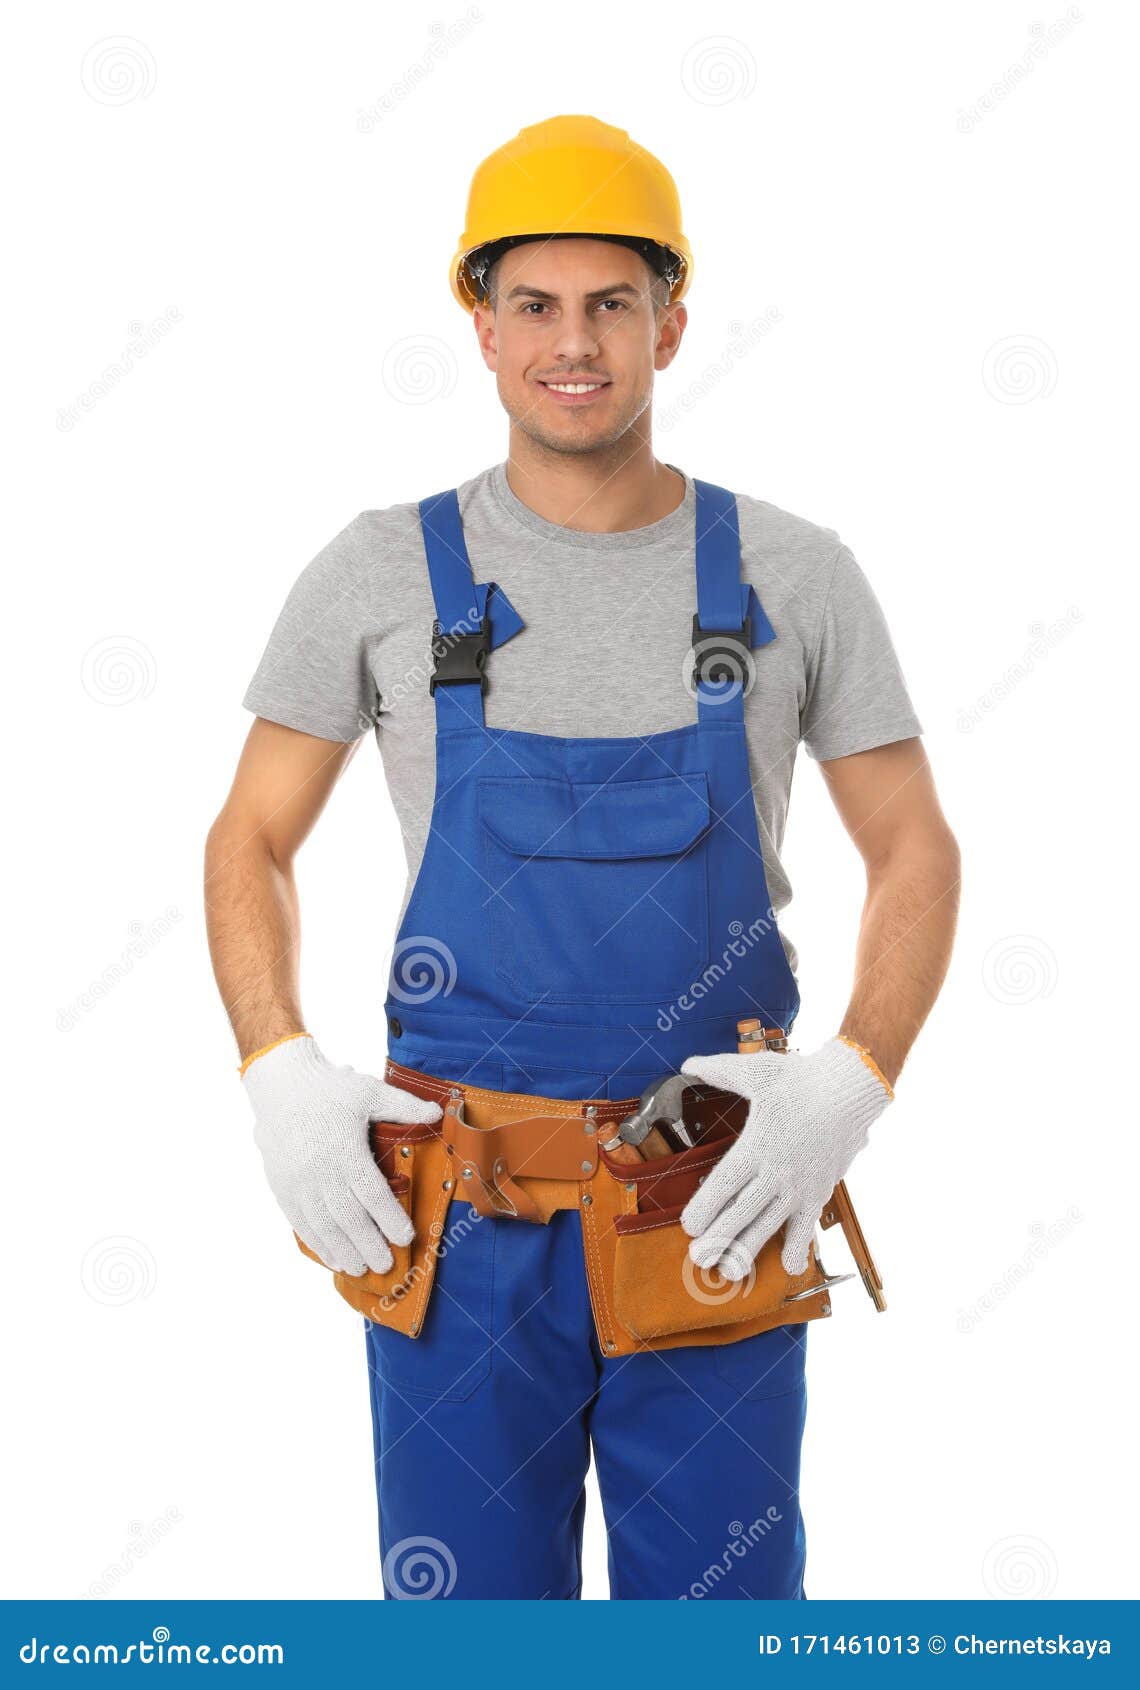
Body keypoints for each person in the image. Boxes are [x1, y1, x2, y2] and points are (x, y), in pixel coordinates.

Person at [205, 114, 960, 1600]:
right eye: (534, 304)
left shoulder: (792, 575)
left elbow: (915, 842)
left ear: (671, 323)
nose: (575, 342)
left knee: (722, 1637)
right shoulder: (378, 571)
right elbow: (251, 834)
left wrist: (853, 1083)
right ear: (478, 326)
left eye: (612, 303)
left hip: (715, 1201)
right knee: (472, 1640)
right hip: (459, 1227)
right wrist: (276, 1067)